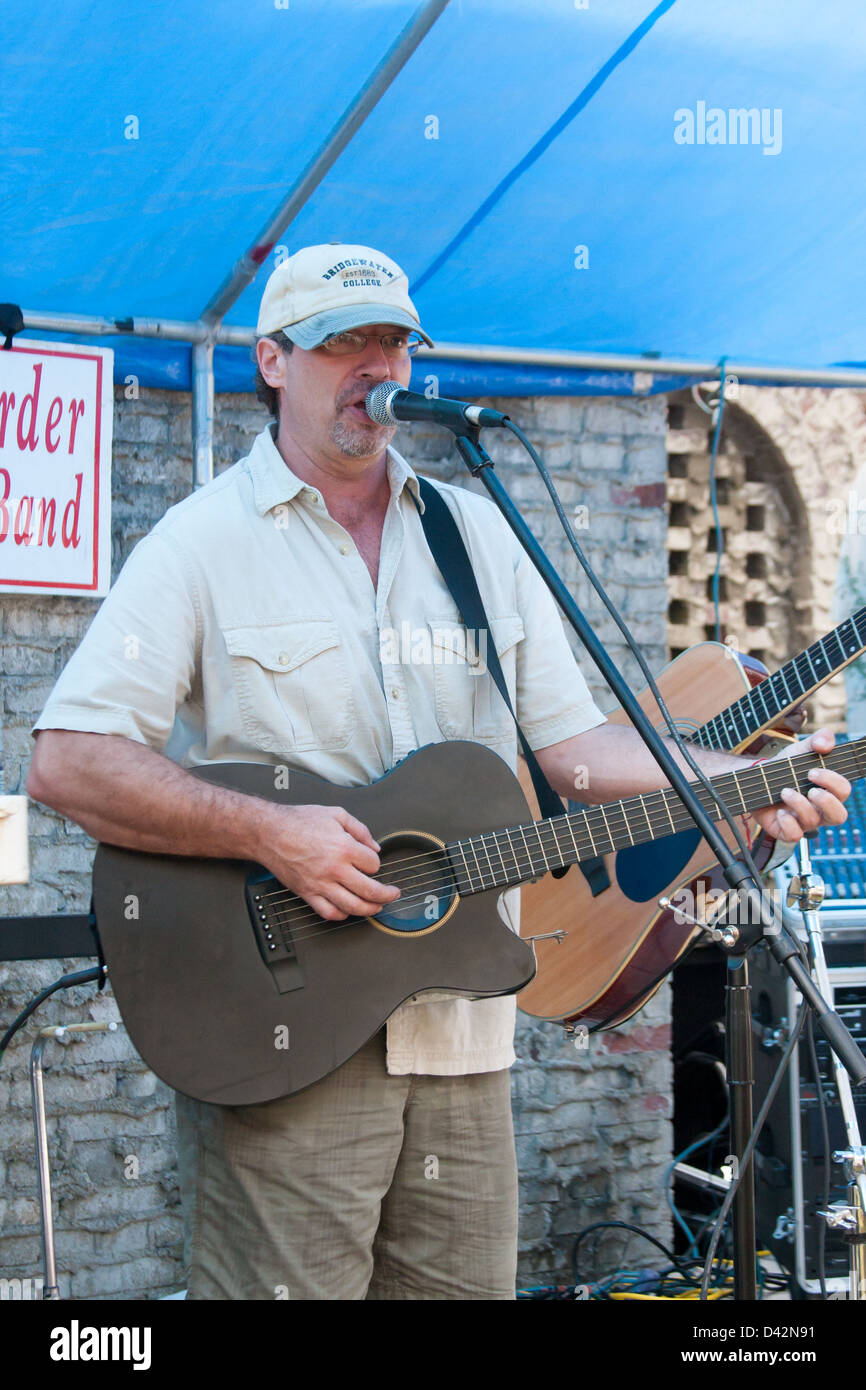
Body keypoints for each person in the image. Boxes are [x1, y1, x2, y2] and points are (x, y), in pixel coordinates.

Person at [26, 242, 851, 1300]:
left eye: (391, 343)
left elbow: (577, 753)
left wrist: (739, 780)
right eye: (342, 344)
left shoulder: (477, 538)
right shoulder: (200, 543)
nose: (375, 367)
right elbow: (69, 761)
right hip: (291, 1047)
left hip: (463, 1044)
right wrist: (269, 832)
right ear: (273, 359)